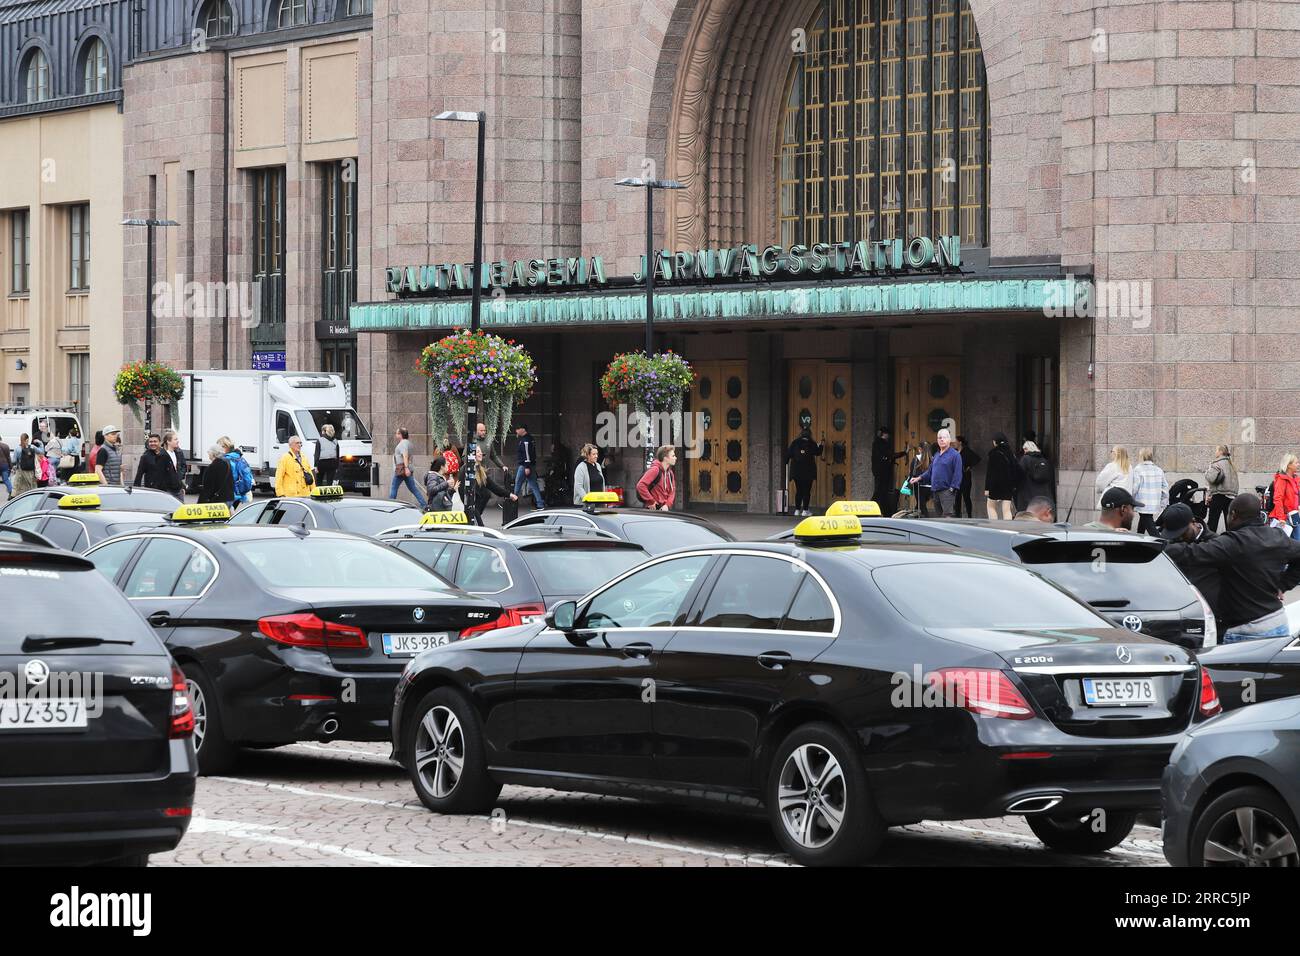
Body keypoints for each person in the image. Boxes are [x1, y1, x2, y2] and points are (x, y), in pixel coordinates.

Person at [1164, 493, 1300, 643]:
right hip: (1278, 623)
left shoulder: (1233, 543)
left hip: (1246, 632)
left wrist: (1153, 546)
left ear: (1233, 514)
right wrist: (1283, 585)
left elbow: (1191, 553)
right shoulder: (1277, 536)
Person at [1156, 502, 1221, 633]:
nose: (1179, 537)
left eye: (1182, 532)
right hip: (1179, 612)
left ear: (1193, 522)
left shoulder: (1216, 543)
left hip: (1211, 616)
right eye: (1174, 534)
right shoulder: (1172, 543)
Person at [910, 428, 961, 518]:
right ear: (937, 440)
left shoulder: (955, 455)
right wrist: (918, 478)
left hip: (947, 491)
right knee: (939, 516)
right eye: (939, 438)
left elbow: (958, 474)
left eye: (944, 437)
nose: (942, 439)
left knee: (947, 516)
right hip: (935, 490)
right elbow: (930, 471)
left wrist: (952, 488)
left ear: (949, 439)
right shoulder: (937, 455)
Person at [464, 446, 517, 525]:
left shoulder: (480, 470)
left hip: (475, 510)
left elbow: (493, 486)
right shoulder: (466, 470)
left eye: (480, 452)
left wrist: (509, 494)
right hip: (469, 508)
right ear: (472, 455)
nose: (481, 454)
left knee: (487, 493)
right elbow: (464, 493)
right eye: (478, 452)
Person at [1123, 447, 1168, 535]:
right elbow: (1165, 488)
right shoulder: (1159, 470)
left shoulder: (1138, 470)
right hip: (1154, 502)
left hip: (1142, 502)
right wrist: (1163, 502)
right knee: (1144, 520)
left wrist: (1130, 500)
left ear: (1141, 457)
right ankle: (1140, 540)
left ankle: (1161, 544)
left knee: (1150, 526)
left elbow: (1135, 487)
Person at [785, 427, 825, 517]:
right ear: (810, 434)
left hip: (796, 471)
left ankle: (797, 510)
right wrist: (821, 445)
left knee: (799, 490)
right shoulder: (812, 443)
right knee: (807, 491)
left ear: (801, 434)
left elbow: (788, 454)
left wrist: (786, 463)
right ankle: (805, 510)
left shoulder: (795, 443)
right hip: (808, 471)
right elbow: (818, 452)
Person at [871, 425, 905, 516]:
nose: (888, 436)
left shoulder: (877, 443)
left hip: (879, 471)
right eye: (887, 434)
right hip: (883, 471)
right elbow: (890, 455)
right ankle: (873, 507)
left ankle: (885, 510)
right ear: (884, 434)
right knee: (880, 491)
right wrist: (904, 452)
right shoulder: (882, 444)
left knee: (882, 491)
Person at [389, 427, 426, 508]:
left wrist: (406, 468)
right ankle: (424, 505)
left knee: (393, 488)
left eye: (397, 433)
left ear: (401, 435)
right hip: (406, 469)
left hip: (401, 470)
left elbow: (405, 455)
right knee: (413, 489)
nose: (396, 435)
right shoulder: (409, 443)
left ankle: (390, 505)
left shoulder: (403, 444)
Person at [1203, 445, 1238, 533]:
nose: (1215, 452)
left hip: (1218, 496)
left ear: (1220, 452)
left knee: (1212, 523)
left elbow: (1211, 478)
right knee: (1229, 524)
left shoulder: (1217, 463)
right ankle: (1231, 542)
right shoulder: (1231, 465)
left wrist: (1207, 472)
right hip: (1231, 497)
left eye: (1216, 450)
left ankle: (1210, 543)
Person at [983, 432, 1017, 519]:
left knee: (991, 506)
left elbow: (990, 472)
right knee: (1006, 509)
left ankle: (995, 526)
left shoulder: (993, 453)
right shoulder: (1010, 452)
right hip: (1008, 485)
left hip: (995, 484)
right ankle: (1007, 528)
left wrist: (987, 488)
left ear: (995, 442)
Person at [1267, 453, 1300, 538]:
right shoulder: (1281, 480)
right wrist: (1281, 517)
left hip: (1295, 516)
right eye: (1296, 463)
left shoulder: (1295, 479)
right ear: (1289, 465)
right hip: (1285, 518)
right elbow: (1278, 499)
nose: (1298, 464)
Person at [636, 445, 677, 511]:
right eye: (673, 456)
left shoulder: (670, 473)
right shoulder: (655, 469)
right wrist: (651, 501)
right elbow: (640, 485)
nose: (675, 458)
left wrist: (667, 505)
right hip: (653, 509)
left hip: (664, 509)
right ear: (665, 458)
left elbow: (672, 491)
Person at [1017, 440, 1054, 512]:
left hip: (1029, 493)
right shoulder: (1043, 459)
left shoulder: (1025, 459)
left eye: (1024, 449)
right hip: (1044, 494)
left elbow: (1019, 473)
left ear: (1026, 449)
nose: (1024, 452)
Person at [513, 424, 544, 509]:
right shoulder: (530, 438)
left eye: (518, 429)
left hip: (524, 465)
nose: (516, 431)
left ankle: (513, 501)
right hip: (530, 465)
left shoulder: (525, 440)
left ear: (522, 429)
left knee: (518, 482)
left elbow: (527, 454)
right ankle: (540, 503)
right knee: (533, 484)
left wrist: (527, 466)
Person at [219, 437, 254, 508]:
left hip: (230, 495)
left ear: (225, 447)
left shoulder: (227, 460)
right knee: (230, 516)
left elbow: (228, 479)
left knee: (225, 516)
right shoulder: (240, 458)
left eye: (219, 447)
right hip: (239, 494)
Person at [956, 435, 981, 518]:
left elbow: (977, 458)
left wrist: (969, 466)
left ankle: (969, 515)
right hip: (957, 478)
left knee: (966, 497)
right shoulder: (955, 452)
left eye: (956, 441)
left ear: (960, 442)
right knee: (957, 497)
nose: (954, 443)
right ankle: (957, 515)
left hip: (965, 477)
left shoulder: (966, 451)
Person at [159, 430, 187, 500]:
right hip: (167, 490)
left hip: (178, 489)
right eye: (175, 439)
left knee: (181, 508)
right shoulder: (162, 454)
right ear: (168, 441)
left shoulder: (178, 453)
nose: (178, 441)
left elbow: (183, 466)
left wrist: (180, 482)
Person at [0, 435, 11, 500]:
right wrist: (10, 466)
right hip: (4, 465)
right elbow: (8, 457)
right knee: (6, 479)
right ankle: (11, 492)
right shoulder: (6, 446)